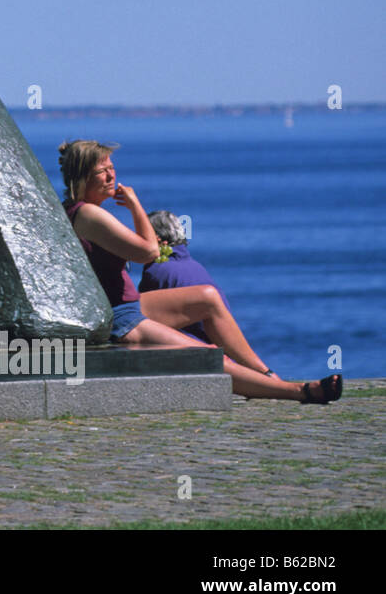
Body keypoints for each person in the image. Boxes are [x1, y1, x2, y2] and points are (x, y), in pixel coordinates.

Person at [58, 140, 341, 403]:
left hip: (124, 306)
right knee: (205, 356)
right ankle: (299, 392)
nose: (111, 176)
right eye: (101, 171)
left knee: (207, 297)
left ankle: (265, 375)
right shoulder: (89, 214)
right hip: (119, 320)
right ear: (82, 177)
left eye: (111, 168)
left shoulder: (80, 211)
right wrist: (135, 206)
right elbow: (150, 251)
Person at [139, 209, 234, 345]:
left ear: (156, 239)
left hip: (197, 349)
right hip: (220, 349)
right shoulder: (195, 266)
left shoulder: (157, 271)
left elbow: (141, 321)